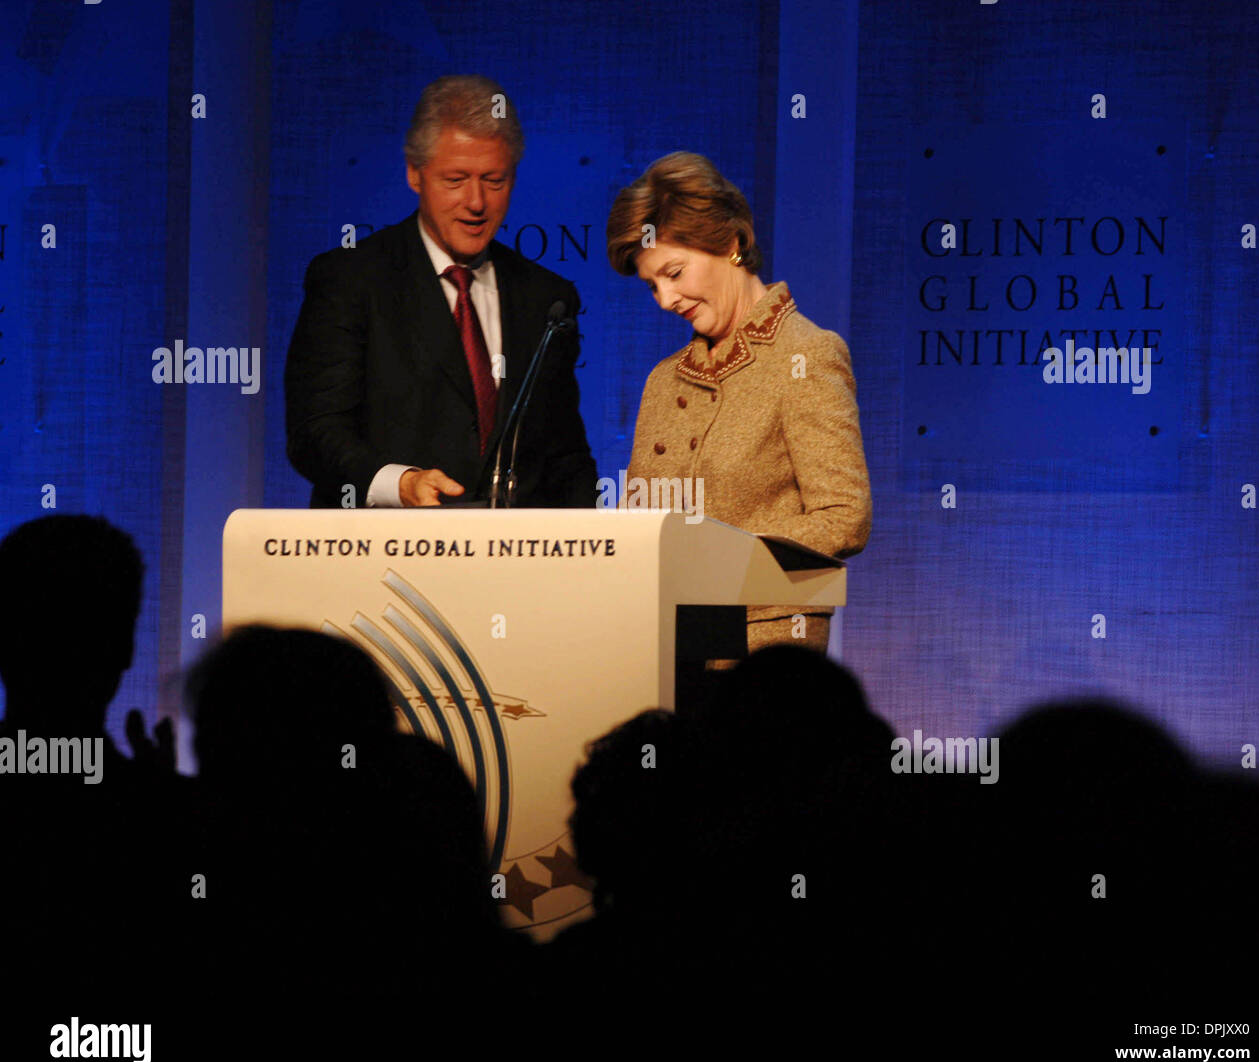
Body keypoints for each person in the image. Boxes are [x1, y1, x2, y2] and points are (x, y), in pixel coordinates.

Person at [286, 75, 596, 509]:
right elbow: (315, 432)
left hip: (515, 568)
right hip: (384, 558)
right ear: (415, 173)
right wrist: (399, 483)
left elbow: (566, 458)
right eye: (455, 179)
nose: (476, 202)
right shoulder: (350, 279)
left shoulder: (546, 297)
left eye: (494, 180)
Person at [606, 152, 870, 653]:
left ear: (729, 245)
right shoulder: (663, 381)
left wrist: (720, 556)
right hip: (664, 645)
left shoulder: (807, 354)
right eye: (652, 285)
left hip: (765, 648)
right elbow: (639, 523)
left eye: (675, 272)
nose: (665, 299)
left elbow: (844, 515)